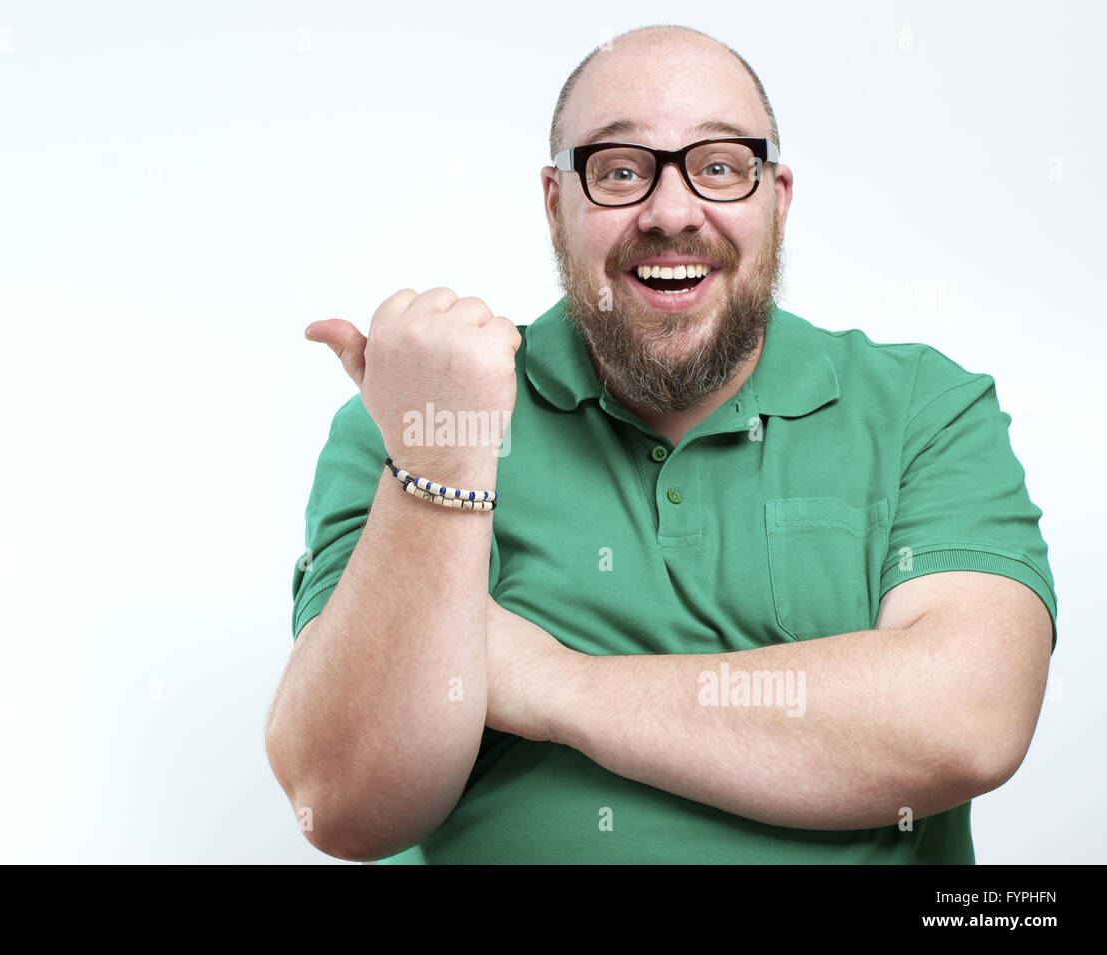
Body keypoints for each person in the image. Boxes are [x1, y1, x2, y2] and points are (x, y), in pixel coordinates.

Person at [266, 24, 1057, 864]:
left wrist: (546, 682)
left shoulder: (922, 409)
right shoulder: (412, 421)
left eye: (719, 166)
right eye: (618, 170)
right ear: (554, 203)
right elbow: (346, 805)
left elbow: (966, 722)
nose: (672, 211)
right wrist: (443, 460)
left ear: (777, 198)